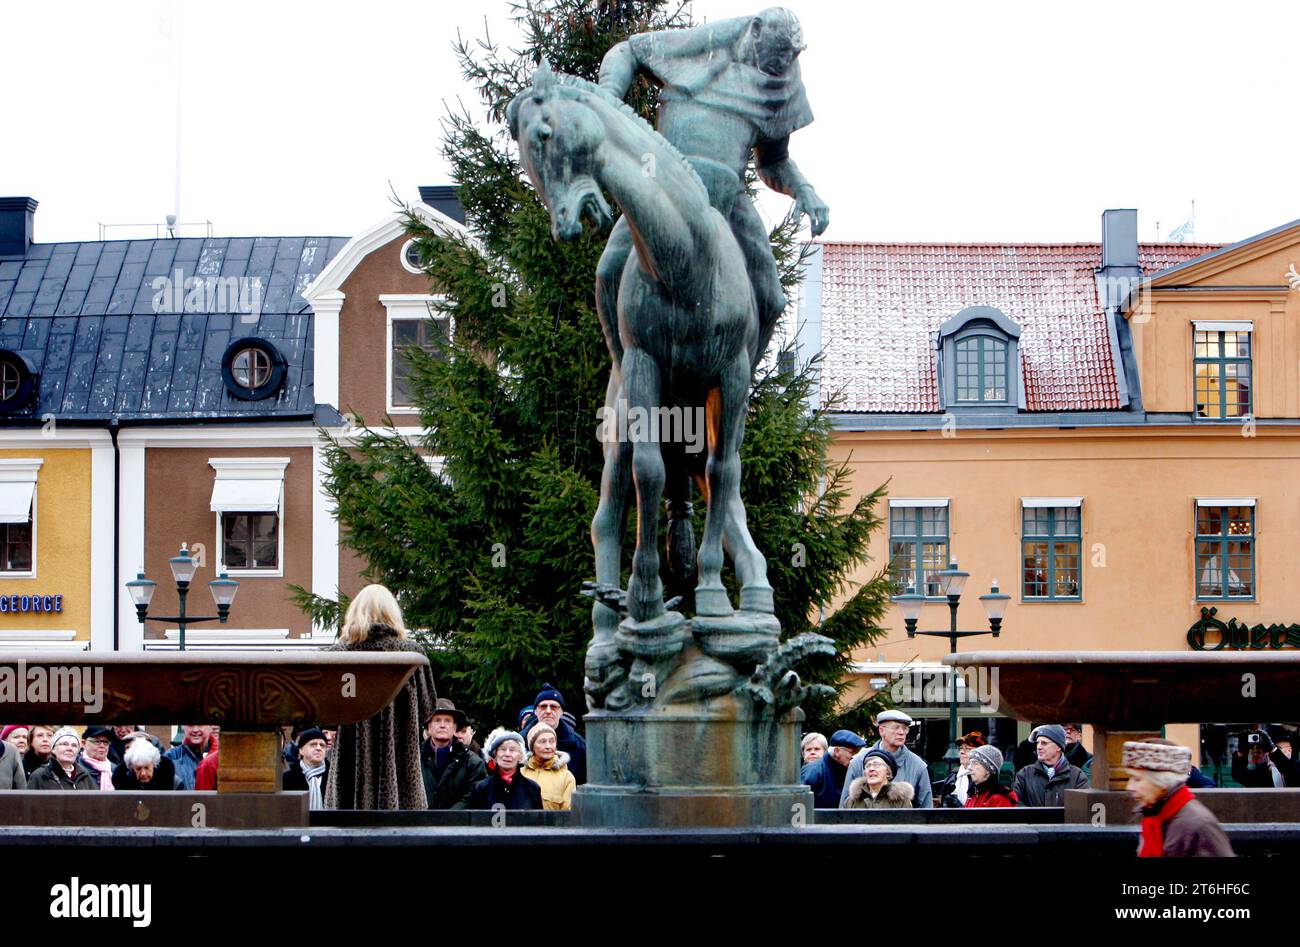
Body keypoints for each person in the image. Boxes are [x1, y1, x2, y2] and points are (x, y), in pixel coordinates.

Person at [325, 584, 438, 810]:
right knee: (401, 833)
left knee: (345, 829)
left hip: (351, 758)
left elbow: (325, 710)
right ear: (393, 614)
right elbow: (428, 709)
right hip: (400, 759)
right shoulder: (412, 653)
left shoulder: (338, 654)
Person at [1126, 739, 1233, 857]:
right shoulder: (1154, 817)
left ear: (1162, 782)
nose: (1129, 787)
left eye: (1137, 779)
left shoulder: (1198, 825)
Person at [840, 711, 934, 808]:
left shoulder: (918, 766)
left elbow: (926, 812)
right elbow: (843, 809)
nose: (901, 732)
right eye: (896, 727)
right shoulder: (858, 762)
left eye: (905, 728)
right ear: (881, 731)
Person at [421, 699, 486, 810]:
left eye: (447, 721)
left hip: (458, 825)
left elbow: (475, 795)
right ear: (429, 727)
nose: (442, 725)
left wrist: (449, 817)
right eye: (437, 720)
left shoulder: (473, 763)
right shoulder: (414, 761)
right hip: (418, 824)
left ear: (455, 727)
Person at [521, 684, 586, 785]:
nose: (548, 711)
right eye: (543, 706)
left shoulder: (578, 745)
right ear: (536, 711)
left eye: (553, 707)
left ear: (561, 712)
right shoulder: (519, 742)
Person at [1012, 724, 1090, 806]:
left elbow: (1082, 809)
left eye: (1044, 743)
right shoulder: (1024, 774)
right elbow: (1016, 804)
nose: (1038, 747)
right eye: (1037, 743)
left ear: (1058, 747)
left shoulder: (1077, 776)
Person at [468, 728, 543, 811]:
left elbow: (538, 822)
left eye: (512, 750)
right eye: (502, 749)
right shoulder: (481, 788)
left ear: (520, 755)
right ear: (495, 754)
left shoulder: (532, 788)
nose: (507, 754)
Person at [802, 729, 864, 808]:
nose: (855, 757)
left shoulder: (850, 768)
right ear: (837, 751)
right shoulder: (813, 772)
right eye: (852, 752)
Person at [521, 722, 576, 811]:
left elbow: (568, 816)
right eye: (542, 742)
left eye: (552, 741)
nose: (548, 746)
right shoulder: (520, 774)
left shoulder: (566, 777)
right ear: (532, 747)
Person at [29, 727, 99, 790]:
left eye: (74, 745)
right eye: (64, 744)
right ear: (53, 749)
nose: (70, 748)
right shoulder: (40, 776)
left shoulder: (85, 775)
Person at [843, 747, 914, 809]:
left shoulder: (901, 802)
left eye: (876, 764)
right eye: (868, 766)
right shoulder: (851, 801)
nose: (871, 769)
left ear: (888, 772)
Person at [283, 728, 329, 809]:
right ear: (301, 750)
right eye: (313, 744)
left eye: (322, 745)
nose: (319, 748)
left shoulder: (332, 778)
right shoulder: (287, 779)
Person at [112, 735, 180, 791]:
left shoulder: (173, 782)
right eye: (138, 769)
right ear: (132, 767)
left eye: (147, 768)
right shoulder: (122, 781)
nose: (143, 773)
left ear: (154, 764)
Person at [935, 731, 983, 808]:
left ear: (980, 753)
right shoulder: (953, 776)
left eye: (967, 749)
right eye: (961, 748)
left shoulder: (984, 780)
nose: (962, 752)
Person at [165, 725, 214, 790]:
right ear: (183, 727)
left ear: (210, 727)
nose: (195, 730)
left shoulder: (222, 757)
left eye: (200, 724)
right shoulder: (170, 758)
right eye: (190, 724)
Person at [78, 726, 116, 791]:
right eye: (97, 741)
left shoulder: (115, 770)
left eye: (106, 742)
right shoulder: (76, 770)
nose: (102, 746)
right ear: (84, 744)